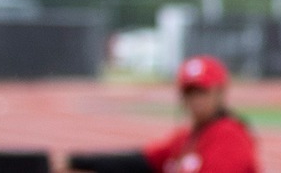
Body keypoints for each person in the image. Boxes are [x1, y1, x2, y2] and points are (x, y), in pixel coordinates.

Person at [67, 56, 259, 173]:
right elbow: (142, 161)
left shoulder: (229, 136)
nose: (196, 100)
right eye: (189, 92)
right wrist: (76, 162)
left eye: (202, 91)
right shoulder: (186, 138)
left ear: (220, 93)